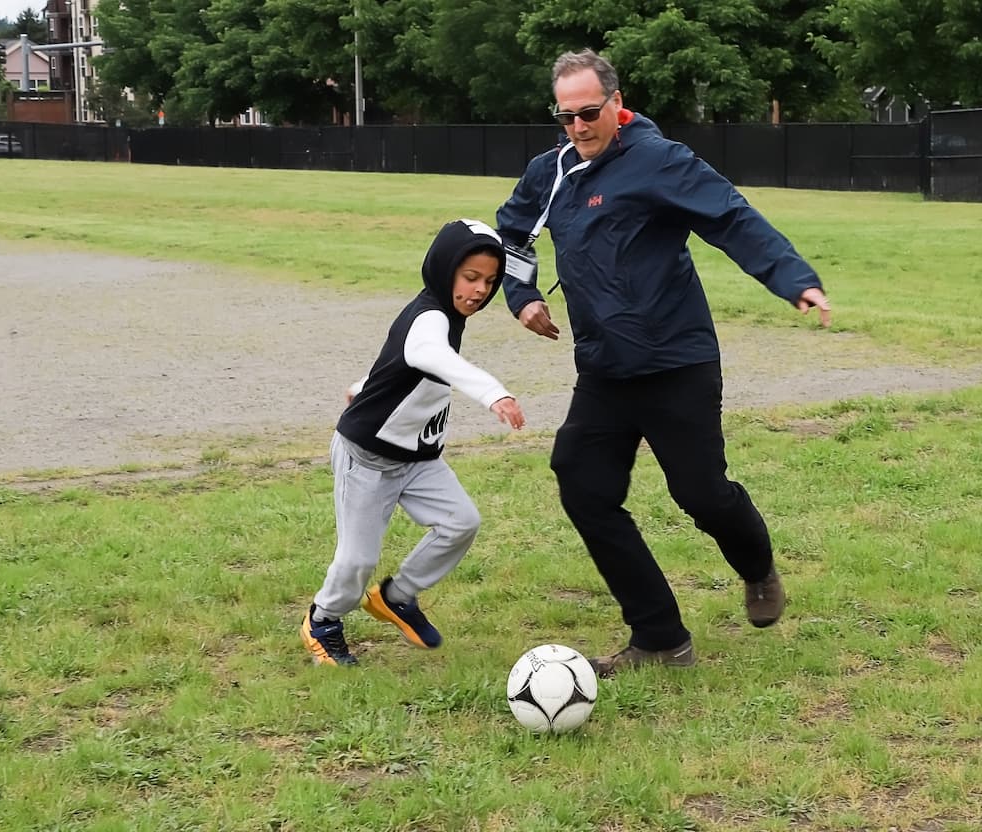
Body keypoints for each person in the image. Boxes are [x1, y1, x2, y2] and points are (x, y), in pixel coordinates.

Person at [496, 49, 832, 677]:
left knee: (701, 495)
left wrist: (793, 279)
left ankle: (757, 569)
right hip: (603, 369)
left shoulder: (660, 160)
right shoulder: (551, 173)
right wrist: (522, 297)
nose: (577, 127)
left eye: (588, 113)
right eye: (564, 116)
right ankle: (658, 636)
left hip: (677, 361)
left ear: (617, 104)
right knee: (583, 484)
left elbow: (732, 218)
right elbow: (511, 234)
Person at [301, 218, 526, 666]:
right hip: (367, 460)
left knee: (461, 522)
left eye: (490, 281)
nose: (481, 290)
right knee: (357, 561)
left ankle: (397, 597)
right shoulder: (430, 317)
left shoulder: (446, 315)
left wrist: (364, 383)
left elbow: (400, 362)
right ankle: (322, 619)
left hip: (417, 460)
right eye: (471, 278)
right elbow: (429, 355)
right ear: (445, 271)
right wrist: (493, 392)